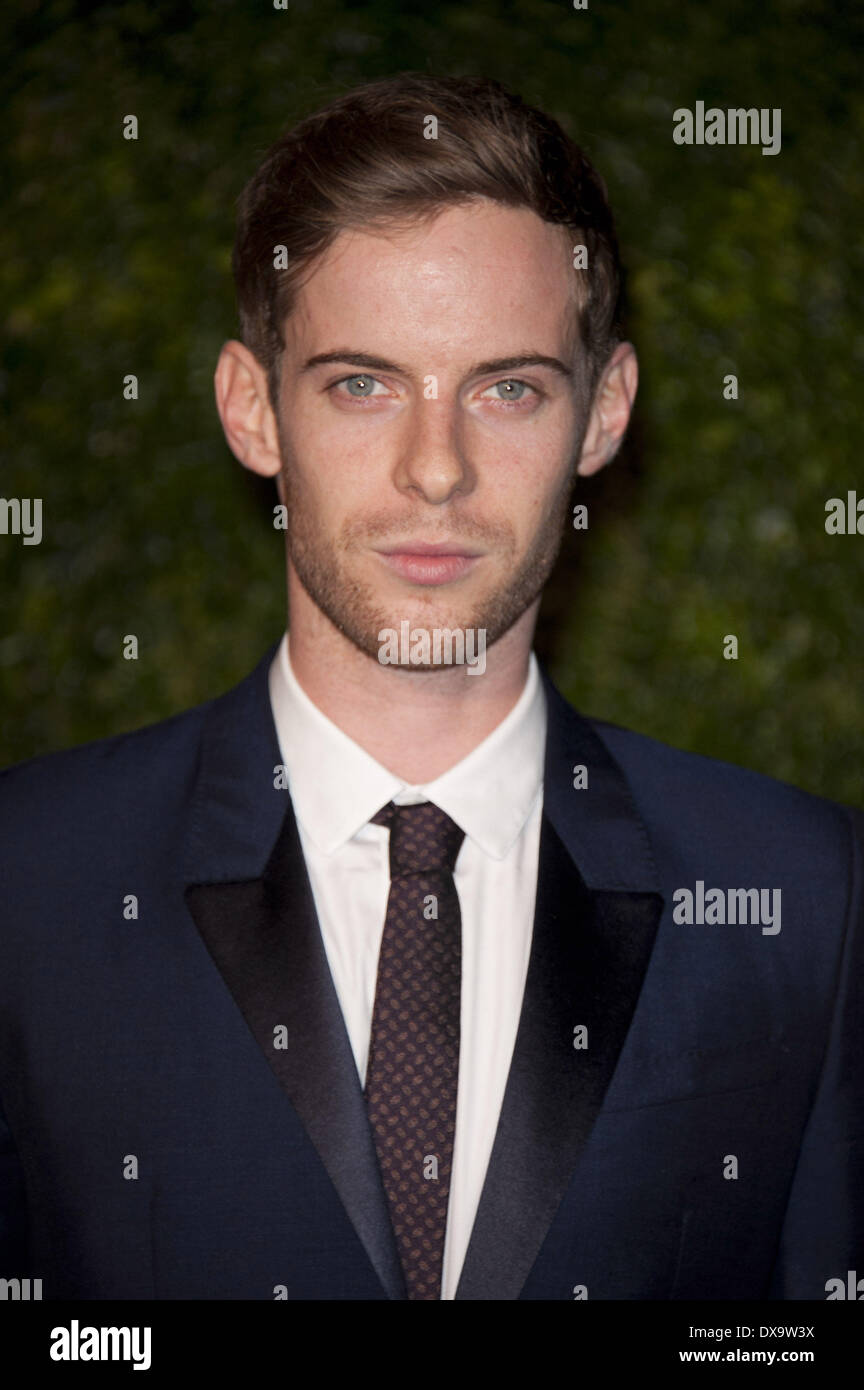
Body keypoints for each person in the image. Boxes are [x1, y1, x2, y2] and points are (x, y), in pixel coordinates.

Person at [0, 73, 861, 1303]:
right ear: (252, 409)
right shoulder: (26, 879)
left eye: (507, 387)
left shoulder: (807, 897)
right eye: (363, 383)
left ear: (604, 413)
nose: (437, 469)